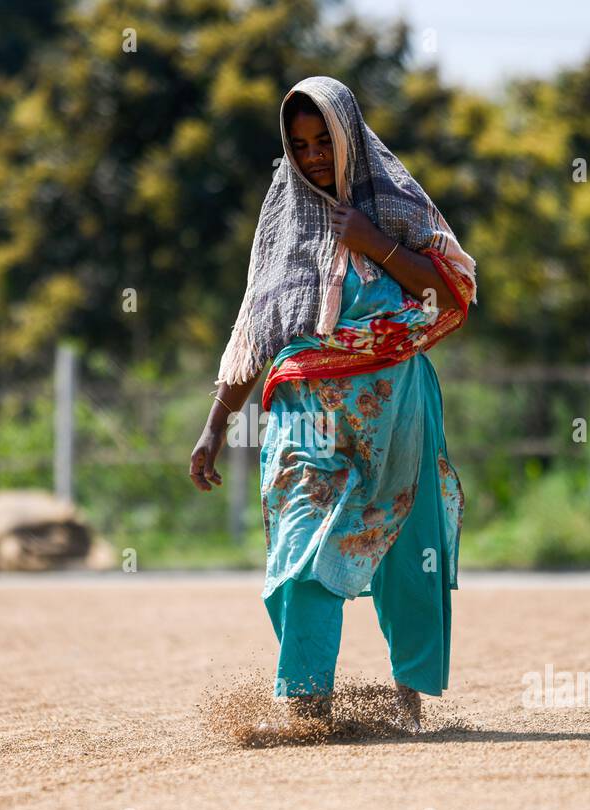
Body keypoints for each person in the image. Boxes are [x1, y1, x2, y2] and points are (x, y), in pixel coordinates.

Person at [188, 76, 477, 734]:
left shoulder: (397, 203)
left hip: (395, 404)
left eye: (325, 141)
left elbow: (448, 293)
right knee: (302, 544)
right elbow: (255, 334)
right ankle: (307, 703)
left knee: (409, 551)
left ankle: (408, 701)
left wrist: (376, 242)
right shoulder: (285, 221)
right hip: (306, 412)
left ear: (350, 138)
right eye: (300, 145)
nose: (314, 156)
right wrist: (214, 428)